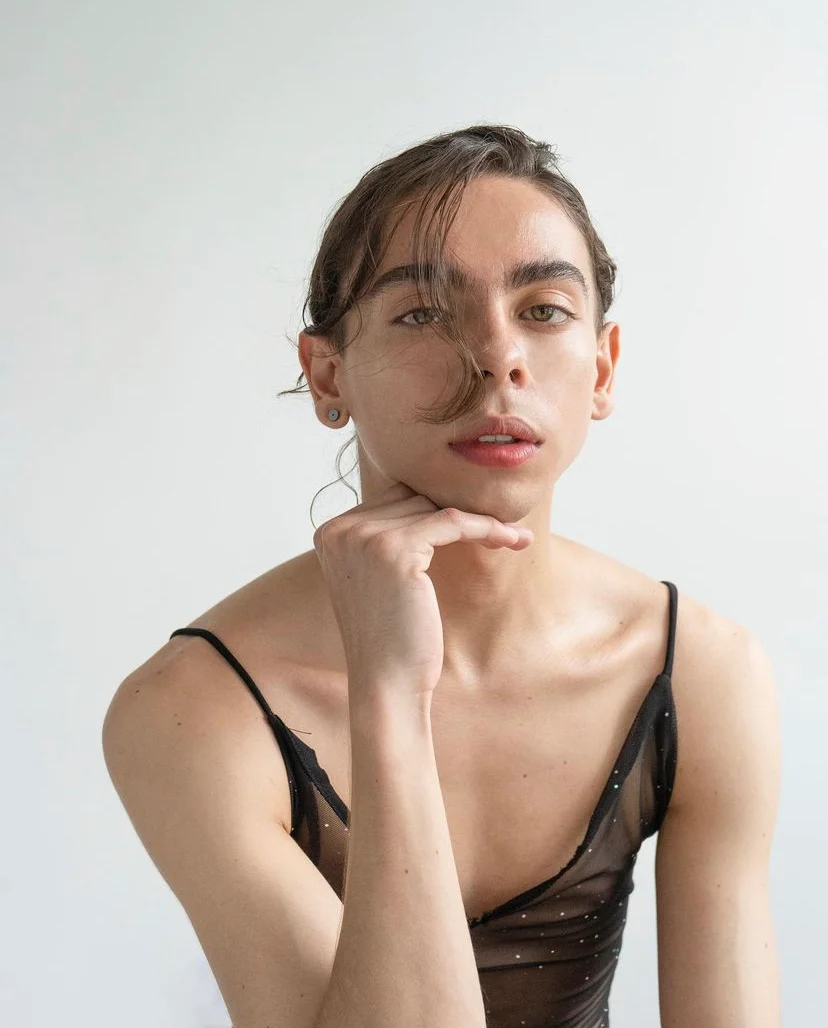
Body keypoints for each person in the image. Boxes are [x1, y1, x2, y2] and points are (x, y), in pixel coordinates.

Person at [102, 124, 782, 1028]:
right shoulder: (194, 710)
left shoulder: (696, 671)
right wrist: (389, 692)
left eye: (544, 310)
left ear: (603, 368)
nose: (497, 356)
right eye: (424, 313)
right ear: (327, 374)